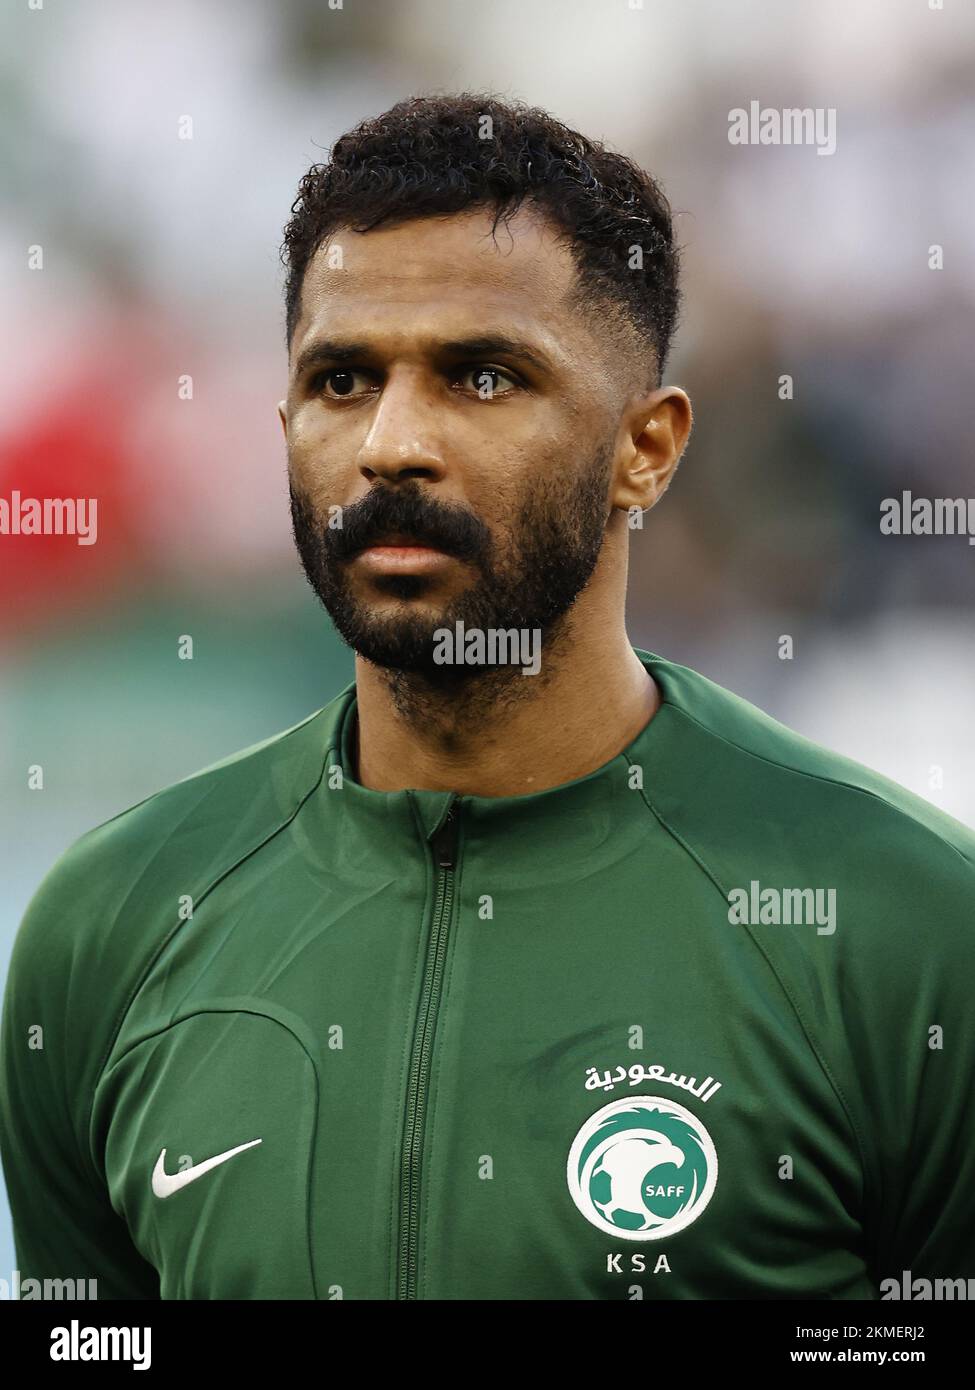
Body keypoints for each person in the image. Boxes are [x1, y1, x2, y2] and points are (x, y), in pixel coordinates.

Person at [1, 93, 972, 1302]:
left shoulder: (906, 927)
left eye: (484, 376)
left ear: (648, 448)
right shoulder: (112, 927)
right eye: (344, 381)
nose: (392, 444)